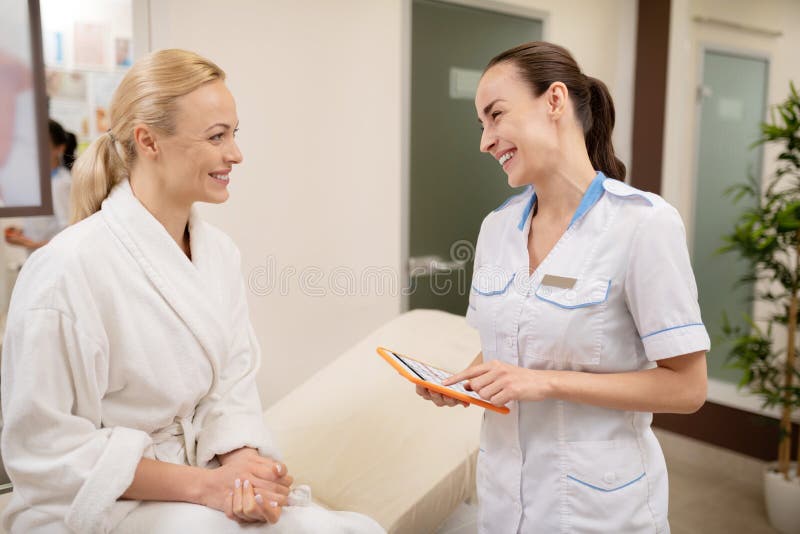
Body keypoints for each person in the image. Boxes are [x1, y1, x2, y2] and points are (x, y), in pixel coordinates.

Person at [0, 49, 384, 534]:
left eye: (234, 134)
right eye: (216, 136)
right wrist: (205, 487)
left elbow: (232, 385)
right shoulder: (67, 267)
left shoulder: (218, 253)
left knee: (355, 530)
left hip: (200, 477)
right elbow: (43, 447)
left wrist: (243, 468)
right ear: (148, 141)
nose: (236, 154)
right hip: (98, 498)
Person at [416, 41, 709, 533]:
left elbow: (688, 386)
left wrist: (545, 382)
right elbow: (501, 353)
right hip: (505, 500)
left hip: (598, 510)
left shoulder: (643, 225)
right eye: (481, 124)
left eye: (496, 116)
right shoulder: (496, 230)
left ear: (554, 101)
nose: (485, 141)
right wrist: (464, 383)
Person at [4, 119, 72, 251]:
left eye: (42, 145)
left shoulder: (61, 184)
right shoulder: (43, 181)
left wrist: (30, 244)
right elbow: (49, 226)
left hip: (51, 261)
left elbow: (68, 233)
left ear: (59, 148)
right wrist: (23, 232)